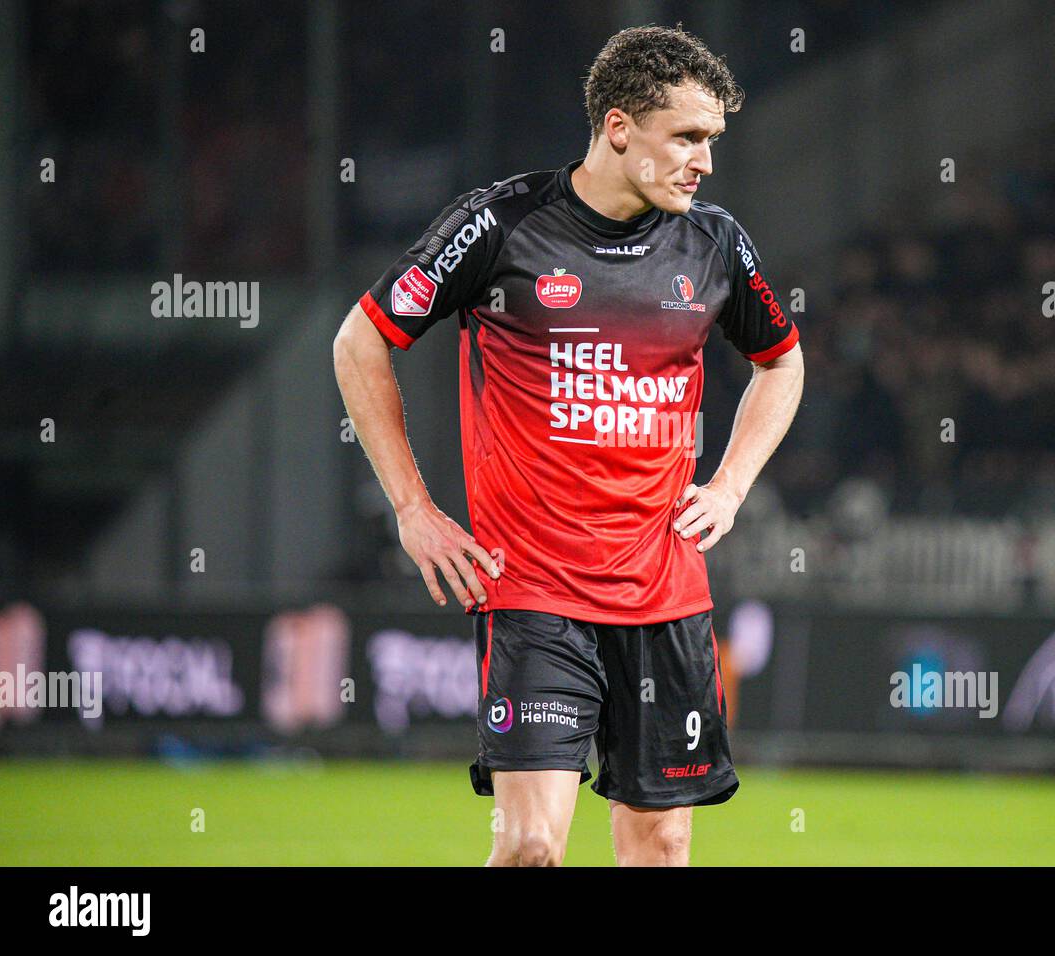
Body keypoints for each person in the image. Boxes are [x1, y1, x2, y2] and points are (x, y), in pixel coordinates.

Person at [333, 24, 803, 866]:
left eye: (713, 141)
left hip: (665, 596)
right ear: (619, 128)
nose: (705, 161)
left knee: (659, 850)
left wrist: (730, 485)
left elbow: (783, 362)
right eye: (688, 137)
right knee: (531, 850)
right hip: (535, 593)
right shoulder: (501, 227)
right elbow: (361, 343)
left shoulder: (715, 243)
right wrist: (414, 508)